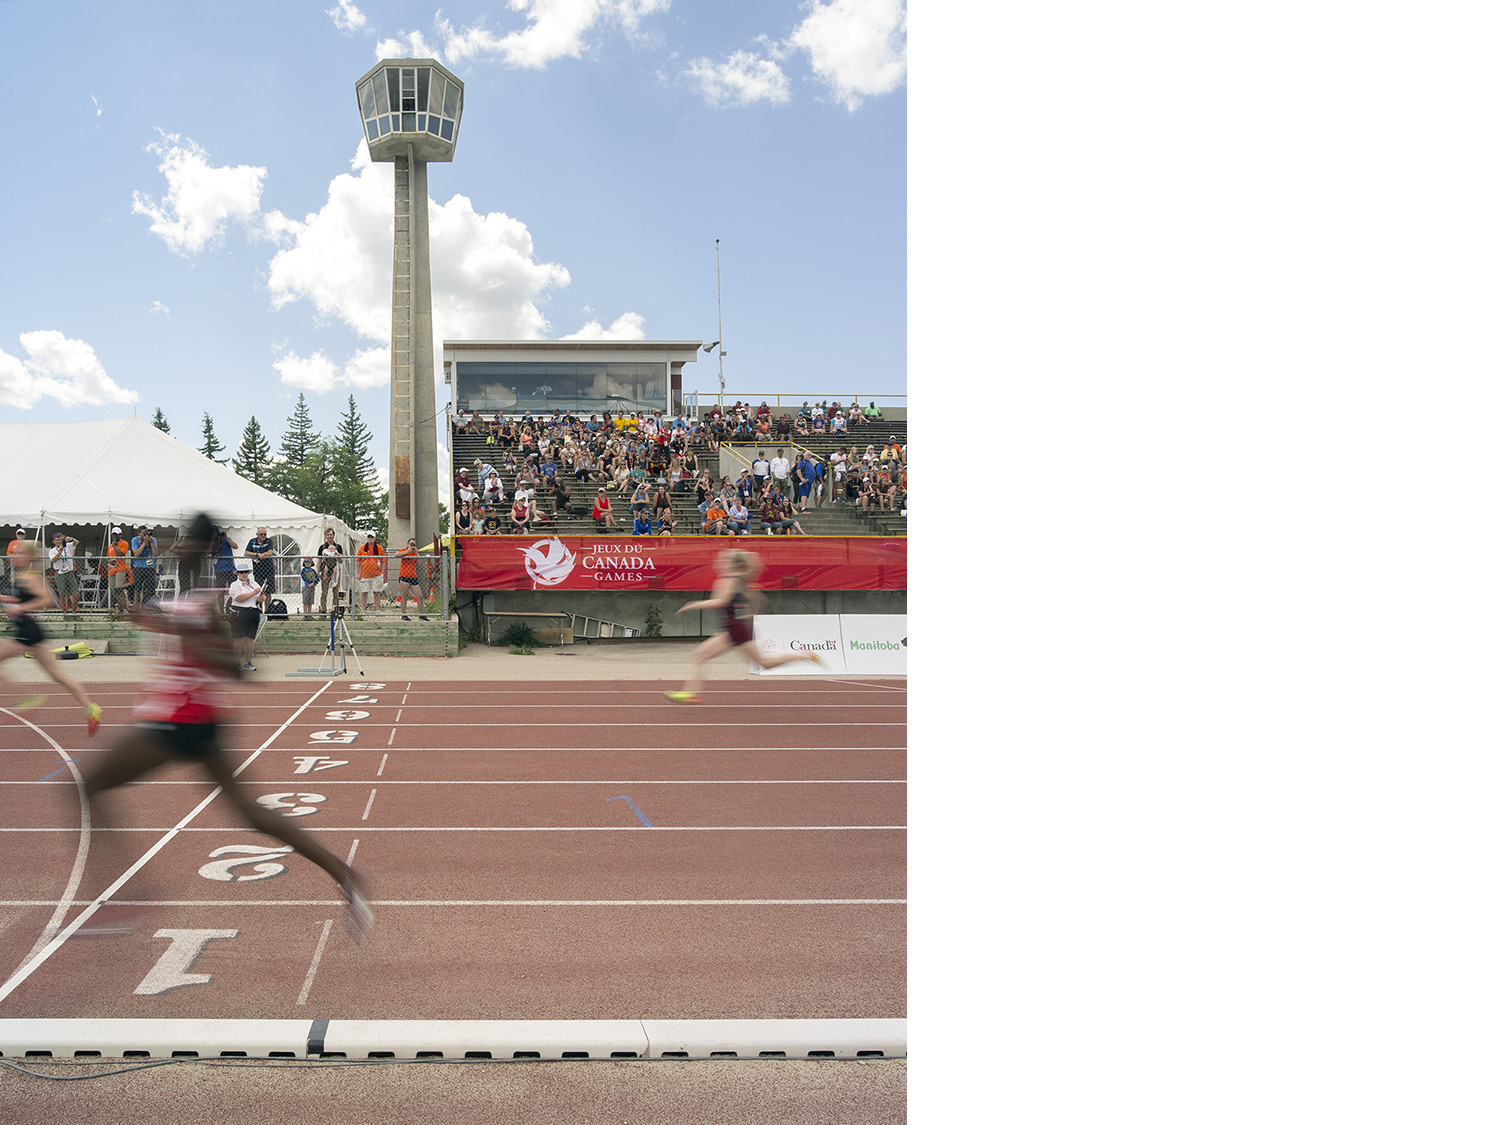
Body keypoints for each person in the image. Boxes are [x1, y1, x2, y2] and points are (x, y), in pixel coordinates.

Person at [79, 514, 373, 939]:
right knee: (252, 814)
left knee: (87, 787)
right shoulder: (184, 600)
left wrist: (189, 637)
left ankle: (124, 898)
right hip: (192, 723)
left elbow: (234, 670)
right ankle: (345, 874)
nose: (176, 547)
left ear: (198, 548)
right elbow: (164, 622)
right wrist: (139, 616)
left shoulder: (207, 605)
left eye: (182, 541)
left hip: (179, 724)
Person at [664, 549, 824, 703]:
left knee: (701, 655)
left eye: (723, 559)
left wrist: (692, 605)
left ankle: (690, 693)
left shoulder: (729, 580)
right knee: (763, 663)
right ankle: (805, 656)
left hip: (735, 630)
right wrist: (749, 612)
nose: (718, 561)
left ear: (732, 564)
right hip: (736, 628)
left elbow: (722, 601)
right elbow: (757, 597)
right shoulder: (739, 579)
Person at [0, 540, 103, 733]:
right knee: (57, 675)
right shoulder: (22, 576)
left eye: (20, 553)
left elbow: (49, 599)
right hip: (31, 632)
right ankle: (90, 707)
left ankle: (24, 698)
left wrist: (22, 607)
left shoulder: (31, 577)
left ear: (29, 556)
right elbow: (18, 599)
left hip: (26, 631)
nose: (16, 555)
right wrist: (8, 600)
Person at [225, 557, 264, 672]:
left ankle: (248, 662)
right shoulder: (234, 585)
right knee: (238, 639)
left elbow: (262, 596)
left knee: (250, 639)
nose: (244, 574)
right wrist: (254, 593)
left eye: (246, 572)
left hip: (253, 612)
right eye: (242, 572)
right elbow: (239, 598)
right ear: (238, 573)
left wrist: (262, 598)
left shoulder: (254, 583)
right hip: (240, 612)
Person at [395, 538, 428, 620]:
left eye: (414, 544)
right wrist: (407, 551)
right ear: (408, 544)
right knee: (404, 596)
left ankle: (422, 614)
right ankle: (404, 615)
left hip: (413, 577)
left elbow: (419, 563)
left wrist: (416, 552)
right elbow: (396, 554)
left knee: (420, 596)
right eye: (411, 544)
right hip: (404, 576)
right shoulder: (404, 551)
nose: (412, 545)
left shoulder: (415, 553)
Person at [48, 532, 81, 613]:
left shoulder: (68, 546)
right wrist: (59, 552)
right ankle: (64, 613)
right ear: (54, 541)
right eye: (57, 540)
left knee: (76, 594)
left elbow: (77, 542)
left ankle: (74, 612)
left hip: (69, 572)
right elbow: (53, 560)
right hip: (60, 573)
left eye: (61, 540)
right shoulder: (52, 551)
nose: (59, 541)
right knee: (62, 594)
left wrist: (71, 539)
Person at [355, 533, 386, 614]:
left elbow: (383, 561)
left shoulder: (379, 548)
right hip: (364, 575)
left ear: (374, 538)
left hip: (377, 575)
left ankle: (377, 610)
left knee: (377, 592)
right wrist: (358, 573)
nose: (370, 538)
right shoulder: (362, 548)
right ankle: (363, 610)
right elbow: (358, 561)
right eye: (369, 537)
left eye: (372, 537)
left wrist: (382, 573)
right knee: (364, 593)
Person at [106, 526, 134, 615]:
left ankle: (124, 608)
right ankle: (119, 607)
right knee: (115, 590)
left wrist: (115, 546)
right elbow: (107, 558)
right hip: (112, 569)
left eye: (116, 535)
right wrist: (110, 561)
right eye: (113, 535)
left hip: (120, 569)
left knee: (120, 589)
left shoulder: (124, 543)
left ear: (120, 535)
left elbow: (121, 554)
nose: (114, 536)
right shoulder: (110, 546)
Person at [316, 527, 344, 615]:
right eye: (327, 535)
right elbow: (319, 560)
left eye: (331, 534)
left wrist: (338, 556)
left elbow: (341, 560)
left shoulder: (338, 547)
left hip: (336, 571)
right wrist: (317, 572)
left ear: (333, 535)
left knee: (336, 592)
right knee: (324, 592)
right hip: (326, 571)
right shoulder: (322, 547)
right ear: (325, 536)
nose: (329, 536)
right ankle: (323, 611)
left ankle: (335, 610)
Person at [245, 526, 277, 598]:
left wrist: (263, 554)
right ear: (257, 534)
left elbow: (270, 552)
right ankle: (259, 605)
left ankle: (268, 606)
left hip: (269, 570)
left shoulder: (269, 541)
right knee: (259, 591)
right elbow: (246, 553)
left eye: (265, 534)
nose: (263, 536)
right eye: (261, 534)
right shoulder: (252, 541)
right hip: (258, 570)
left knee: (268, 592)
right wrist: (257, 554)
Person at [131, 526, 159, 606]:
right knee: (137, 590)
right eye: (144, 533)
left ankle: (152, 606)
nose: (146, 535)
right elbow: (136, 554)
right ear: (139, 533)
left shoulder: (153, 539)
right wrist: (144, 543)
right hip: (138, 567)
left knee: (152, 589)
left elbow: (156, 553)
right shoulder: (135, 540)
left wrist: (151, 542)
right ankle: (136, 608)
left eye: (147, 533)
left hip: (149, 567)